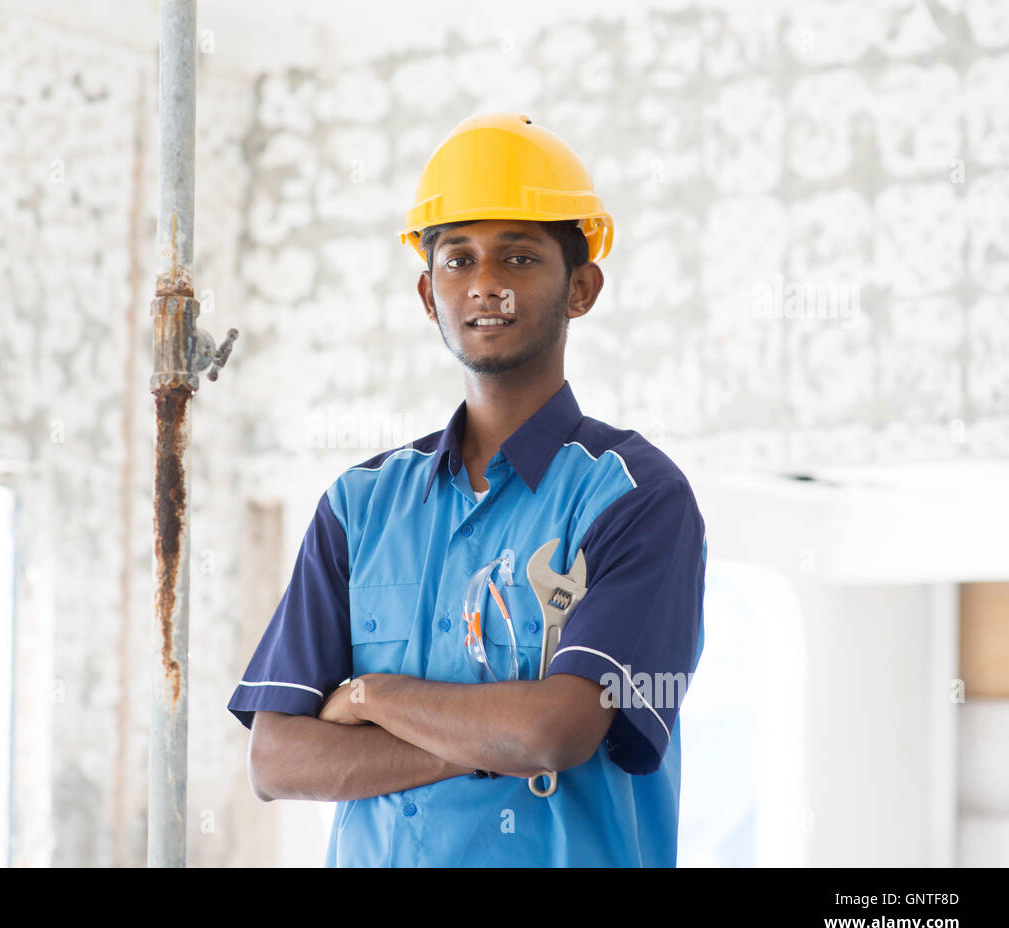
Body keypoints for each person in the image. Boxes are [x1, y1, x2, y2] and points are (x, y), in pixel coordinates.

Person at [227, 112, 707, 867]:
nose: (485, 283)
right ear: (428, 294)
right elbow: (277, 757)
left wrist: (369, 699)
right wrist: (488, 738)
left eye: (518, 257)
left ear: (581, 287)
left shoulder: (637, 497)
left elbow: (556, 731)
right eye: (458, 259)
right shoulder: (358, 506)